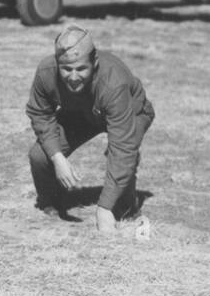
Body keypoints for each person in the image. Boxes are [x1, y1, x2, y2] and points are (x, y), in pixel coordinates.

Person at [25, 26, 155, 233]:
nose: (74, 77)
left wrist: (104, 208)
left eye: (81, 69)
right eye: (66, 69)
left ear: (94, 63)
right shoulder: (45, 72)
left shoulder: (113, 82)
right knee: (40, 155)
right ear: (57, 64)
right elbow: (40, 114)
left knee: (121, 156)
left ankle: (126, 205)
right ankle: (50, 201)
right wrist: (58, 158)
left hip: (131, 112)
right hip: (83, 114)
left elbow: (122, 148)